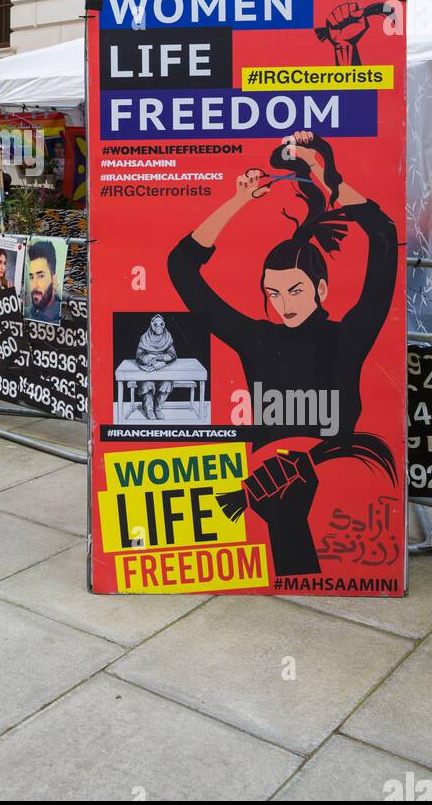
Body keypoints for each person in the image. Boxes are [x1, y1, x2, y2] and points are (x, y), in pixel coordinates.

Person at [167, 130, 397, 576]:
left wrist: (331, 182)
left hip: (339, 493)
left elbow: (384, 236)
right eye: (273, 293)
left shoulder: (348, 336)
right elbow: (180, 266)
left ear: (322, 289)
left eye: (295, 290)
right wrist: (238, 200)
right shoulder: (257, 337)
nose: (284, 304)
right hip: (263, 492)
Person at [135, 313, 177, 420]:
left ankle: (157, 409)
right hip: (147, 370)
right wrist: (149, 359)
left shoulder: (168, 337)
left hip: (162, 370)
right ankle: (149, 410)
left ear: (163, 325)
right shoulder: (144, 337)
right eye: (155, 324)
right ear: (151, 325)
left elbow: (172, 355)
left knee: (167, 383)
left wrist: (161, 360)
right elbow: (139, 356)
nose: (158, 326)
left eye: (161, 324)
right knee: (147, 383)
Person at [27, 239, 62, 323]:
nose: (34, 285)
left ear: (54, 280)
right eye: (31, 277)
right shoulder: (27, 312)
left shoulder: (60, 317)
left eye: (41, 276)